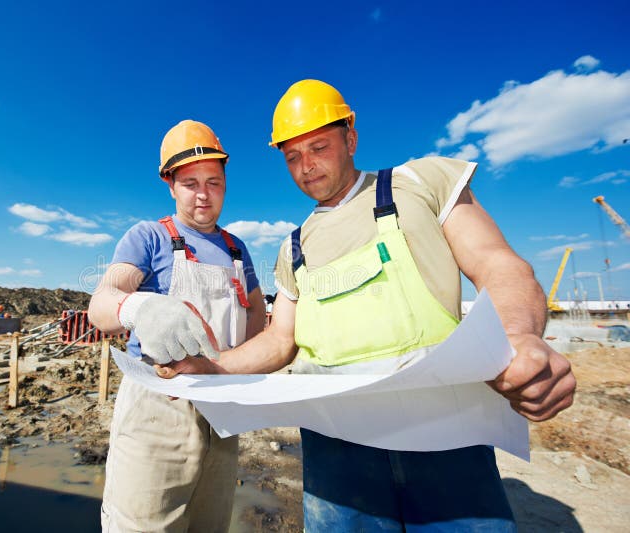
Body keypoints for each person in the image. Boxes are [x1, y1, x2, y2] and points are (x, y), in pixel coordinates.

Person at [161, 80, 576, 531]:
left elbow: (498, 264)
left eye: (318, 147)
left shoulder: (418, 184)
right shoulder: (294, 246)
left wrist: (518, 337)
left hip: (446, 436)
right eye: (292, 156)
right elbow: (281, 340)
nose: (306, 167)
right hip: (335, 449)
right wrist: (215, 367)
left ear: (351, 138)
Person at [88, 119, 266, 532]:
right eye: (190, 183)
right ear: (170, 184)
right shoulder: (148, 237)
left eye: (214, 182)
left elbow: (256, 310)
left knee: (210, 522)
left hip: (221, 410)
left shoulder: (237, 248)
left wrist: (242, 363)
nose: (204, 194)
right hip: (158, 408)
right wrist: (139, 307)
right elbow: (101, 303)